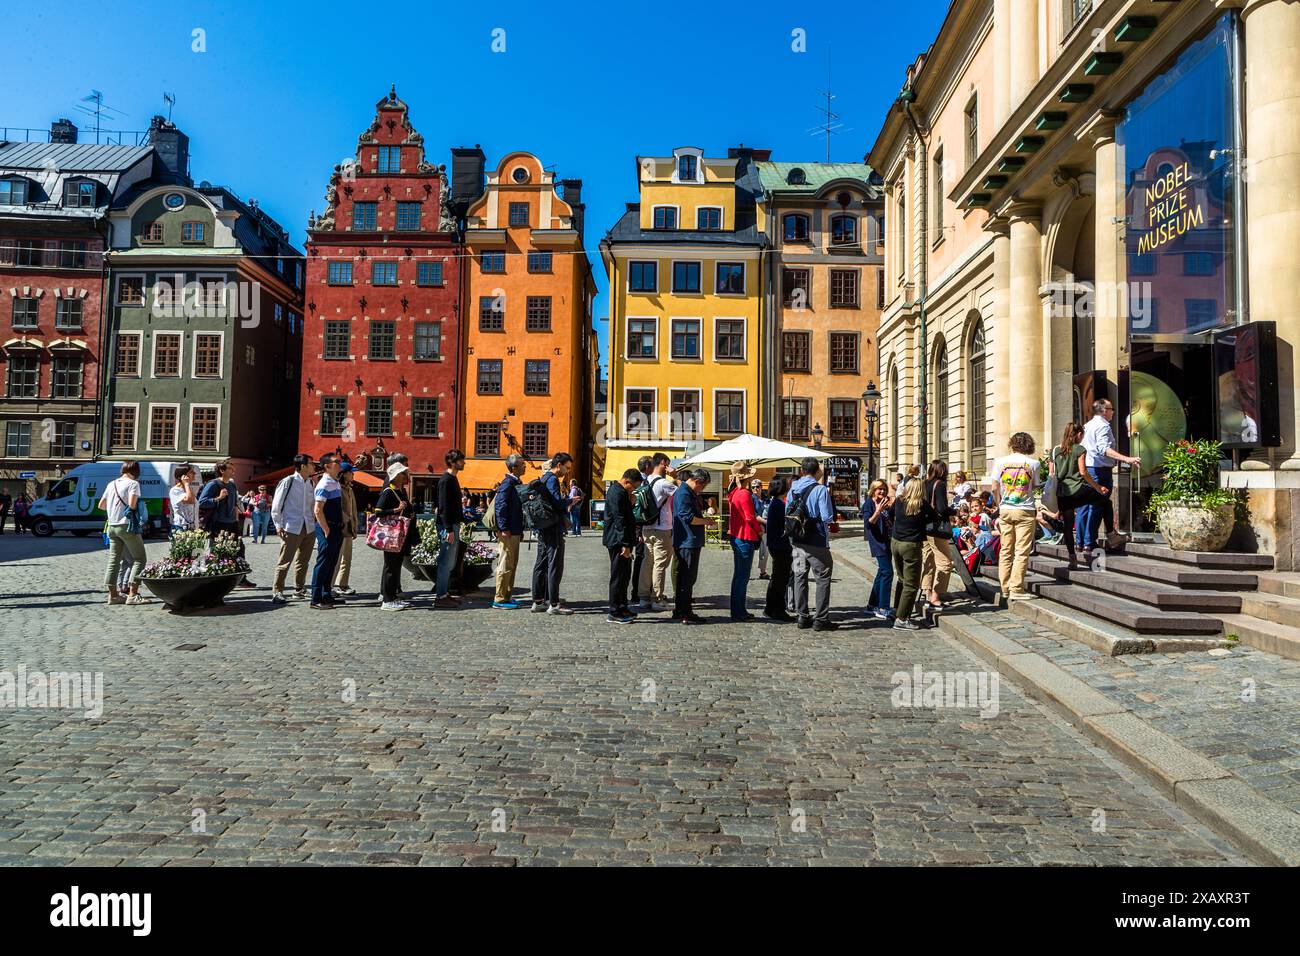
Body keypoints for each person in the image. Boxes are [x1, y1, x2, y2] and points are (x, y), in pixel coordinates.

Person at [1050, 421, 1119, 566]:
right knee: (1106, 502)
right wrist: (1098, 487)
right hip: (1077, 489)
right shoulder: (1079, 449)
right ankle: (1112, 535)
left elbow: (1052, 473)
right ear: (1079, 434)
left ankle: (1072, 559)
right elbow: (1083, 472)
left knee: (1068, 526)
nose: (1082, 438)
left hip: (1062, 493)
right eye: (1082, 435)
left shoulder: (1056, 450)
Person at [1079, 398, 1139, 553]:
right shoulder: (1103, 427)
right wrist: (1127, 459)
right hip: (1099, 470)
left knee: (1085, 506)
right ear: (1104, 411)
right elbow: (1103, 449)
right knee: (1096, 506)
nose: (1113, 412)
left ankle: (1080, 542)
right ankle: (1089, 542)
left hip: (1089, 468)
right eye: (1111, 409)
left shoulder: (1088, 425)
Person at [788, 457, 839, 631]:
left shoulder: (793, 489)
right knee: (823, 578)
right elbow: (826, 517)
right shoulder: (820, 490)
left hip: (797, 541)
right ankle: (821, 619)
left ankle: (802, 617)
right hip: (816, 541)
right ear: (817, 471)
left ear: (802, 471)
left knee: (799, 576)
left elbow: (788, 511)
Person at [992, 432, 1041, 601]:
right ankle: (1016, 588)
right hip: (1025, 509)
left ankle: (1004, 588)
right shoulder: (1033, 463)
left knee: (1006, 550)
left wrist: (999, 504)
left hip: (1005, 508)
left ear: (1012, 444)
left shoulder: (1000, 462)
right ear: (1028, 445)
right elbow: (1035, 485)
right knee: (1021, 551)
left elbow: (994, 487)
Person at [891, 474, 937, 630]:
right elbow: (934, 517)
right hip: (911, 545)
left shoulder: (898, 501)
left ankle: (897, 609)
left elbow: (891, 516)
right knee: (911, 584)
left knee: (902, 579)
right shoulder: (921, 505)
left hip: (896, 542)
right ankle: (902, 619)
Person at [531, 452, 575, 615]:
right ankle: (554, 604)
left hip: (543, 527)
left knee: (540, 563)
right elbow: (556, 502)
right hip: (552, 527)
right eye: (567, 467)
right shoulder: (552, 480)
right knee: (554, 564)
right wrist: (570, 501)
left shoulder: (543, 478)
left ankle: (538, 601)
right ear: (559, 465)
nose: (567, 471)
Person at [199, 460, 255, 588]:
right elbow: (202, 502)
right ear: (222, 470)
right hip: (218, 523)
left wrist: (236, 519)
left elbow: (235, 503)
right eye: (230, 468)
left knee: (239, 549)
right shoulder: (213, 484)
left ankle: (241, 578)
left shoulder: (232, 484)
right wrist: (218, 498)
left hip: (232, 523)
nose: (233, 471)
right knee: (218, 552)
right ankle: (217, 580)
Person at [100, 461, 148, 605]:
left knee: (113, 561)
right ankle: (132, 595)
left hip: (112, 526)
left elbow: (101, 505)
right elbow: (132, 505)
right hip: (126, 526)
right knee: (140, 559)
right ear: (136, 470)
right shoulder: (133, 484)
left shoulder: (111, 484)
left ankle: (113, 596)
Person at [270, 455, 317, 603]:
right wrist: (278, 525)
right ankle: (277, 591)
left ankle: (299, 589)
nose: (314, 467)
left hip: (308, 526)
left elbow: (312, 505)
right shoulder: (288, 481)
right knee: (284, 561)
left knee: (303, 561)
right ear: (302, 466)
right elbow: (276, 505)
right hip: (291, 526)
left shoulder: (310, 483)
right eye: (311, 464)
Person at [603, 468, 643, 624]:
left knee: (625, 575)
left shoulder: (622, 493)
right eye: (633, 487)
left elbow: (625, 515)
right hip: (617, 541)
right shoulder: (616, 492)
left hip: (622, 539)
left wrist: (631, 503)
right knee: (618, 576)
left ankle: (622, 606)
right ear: (626, 481)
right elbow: (619, 520)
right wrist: (625, 544)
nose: (633, 490)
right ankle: (614, 611)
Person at [374, 461, 415, 610]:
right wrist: (396, 509)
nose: (405, 475)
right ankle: (387, 599)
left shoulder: (399, 491)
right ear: (396, 476)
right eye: (403, 473)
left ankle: (393, 596)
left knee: (395, 566)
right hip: (391, 535)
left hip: (399, 536)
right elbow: (378, 511)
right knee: (390, 567)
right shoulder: (388, 492)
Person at [672, 468, 710, 624]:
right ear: (697, 482)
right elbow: (688, 517)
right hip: (687, 541)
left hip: (691, 540)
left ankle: (681, 610)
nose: (703, 489)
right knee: (686, 578)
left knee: (688, 578)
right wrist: (706, 521)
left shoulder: (690, 492)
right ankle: (684, 612)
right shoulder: (684, 493)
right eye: (703, 486)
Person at [637, 453, 674, 611]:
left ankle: (643, 597)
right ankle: (657, 599)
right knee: (660, 564)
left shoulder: (645, 481)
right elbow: (684, 494)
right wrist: (676, 476)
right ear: (664, 463)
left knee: (647, 562)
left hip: (646, 527)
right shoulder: (665, 483)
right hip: (661, 528)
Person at [726, 461, 762, 622]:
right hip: (745, 537)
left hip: (736, 536)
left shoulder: (733, 493)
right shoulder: (744, 494)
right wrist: (759, 530)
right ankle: (739, 612)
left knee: (738, 576)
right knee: (742, 576)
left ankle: (738, 610)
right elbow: (749, 517)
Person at [492, 454, 527, 609]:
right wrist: (503, 528)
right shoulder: (507, 484)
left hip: (514, 530)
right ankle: (499, 599)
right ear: (514, 467)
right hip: (508, 531)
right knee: (505, 564)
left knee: (512, 564)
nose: (525, 466)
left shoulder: (515, 483)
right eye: (522, 464)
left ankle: (507, 596)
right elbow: (500, 506)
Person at [919, 461, 955, 613]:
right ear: (942, 471)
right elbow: (941, 508)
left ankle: (927, 595)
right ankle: (935, 597)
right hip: (936, 529)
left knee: (928, 561)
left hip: (924, 527)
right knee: (945, 562)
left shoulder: (923, 483)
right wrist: (955, 512)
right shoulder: (939, 484)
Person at [310, 454, 344, 610]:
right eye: (336, 462)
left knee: (331, 562)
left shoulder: (334, 482)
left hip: (336, 526)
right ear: (327, 466)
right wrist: (326, 529)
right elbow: (318, 510)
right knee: (323, 563)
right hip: (327, 527)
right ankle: (315, 598)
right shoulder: (324, 484)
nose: (340, 464)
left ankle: (326, 594)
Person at [434, 449, 466, 608]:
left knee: (450, 562)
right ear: (453, 462)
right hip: (448, 526)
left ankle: (445, 593)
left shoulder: (452, 479)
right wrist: (449, 529)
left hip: (453, 524)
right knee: (445, 562)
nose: (464, 462)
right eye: (461, 460)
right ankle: (440, 596)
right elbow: (443, 507)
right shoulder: (446, 480)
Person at [763, 477, 794, 622]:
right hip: (780, 546)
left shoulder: (775, 503)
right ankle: (778, 609)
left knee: (776, 578)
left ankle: (770, 608)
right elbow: (786, 525)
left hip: (775, 545)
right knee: (781, 580)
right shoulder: (779, 505)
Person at [864, 479, 895, 621]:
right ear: (873, 490)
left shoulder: (885, 503)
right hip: (878, 543)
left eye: (884, 489)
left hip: (887, 542)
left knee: (881, 573)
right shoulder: (869, 504)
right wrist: (877, 511)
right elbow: (868, 524)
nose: (882, 491)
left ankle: (872, 605)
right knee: (888, 572)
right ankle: (883, 607)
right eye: (879, 489)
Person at [332, 464, 360, 596]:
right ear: (343, 474)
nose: (353, 475)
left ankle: (342, 584)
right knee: (336, 559)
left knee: (346, 559)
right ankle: (330, 585)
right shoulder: (337, 488)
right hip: (340, 528)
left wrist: (354, 527)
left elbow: (353, 510)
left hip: (349, 528)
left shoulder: (349, 489)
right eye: (351, 473)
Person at [629, 455, 653, 607]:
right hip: (641, 527)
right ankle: (638, 593)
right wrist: (638, 533)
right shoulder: (643, 483)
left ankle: (639, 592)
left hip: (640, 527)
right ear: (648, 467)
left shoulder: (642, 481)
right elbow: (638, 511)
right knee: (641, 559)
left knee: (643, 559)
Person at [750, 478, 771, 580]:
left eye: (757, 487)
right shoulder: (751, 499)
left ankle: (763, 572)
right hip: (754, 527)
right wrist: (766, 522)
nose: (755, 489)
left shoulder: (766, 498)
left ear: (761, 487)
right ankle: (747, 572)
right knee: (751, 550)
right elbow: (753, 515)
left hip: (765, 529)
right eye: (753, 487)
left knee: (764, 550)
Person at [169, 465, 198, 535]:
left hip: (192, 527)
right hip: (181, 527)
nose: (195, 473)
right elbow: (190, 500)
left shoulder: (187, 489)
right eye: (191, 472)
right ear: (183, 476)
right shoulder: (175, 490)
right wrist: (186, 484)